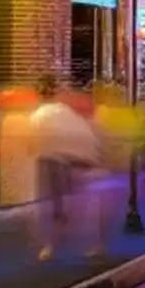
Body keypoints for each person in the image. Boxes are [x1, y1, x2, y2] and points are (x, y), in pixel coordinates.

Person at [29, 75, 103, 260]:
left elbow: (32, 143)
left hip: (49, 161)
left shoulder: (38, 115)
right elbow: (84, 136)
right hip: (71, 162)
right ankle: (88, 244)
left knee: (52, 205)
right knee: (76, 204)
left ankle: (51, 245)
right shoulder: (66, 112)